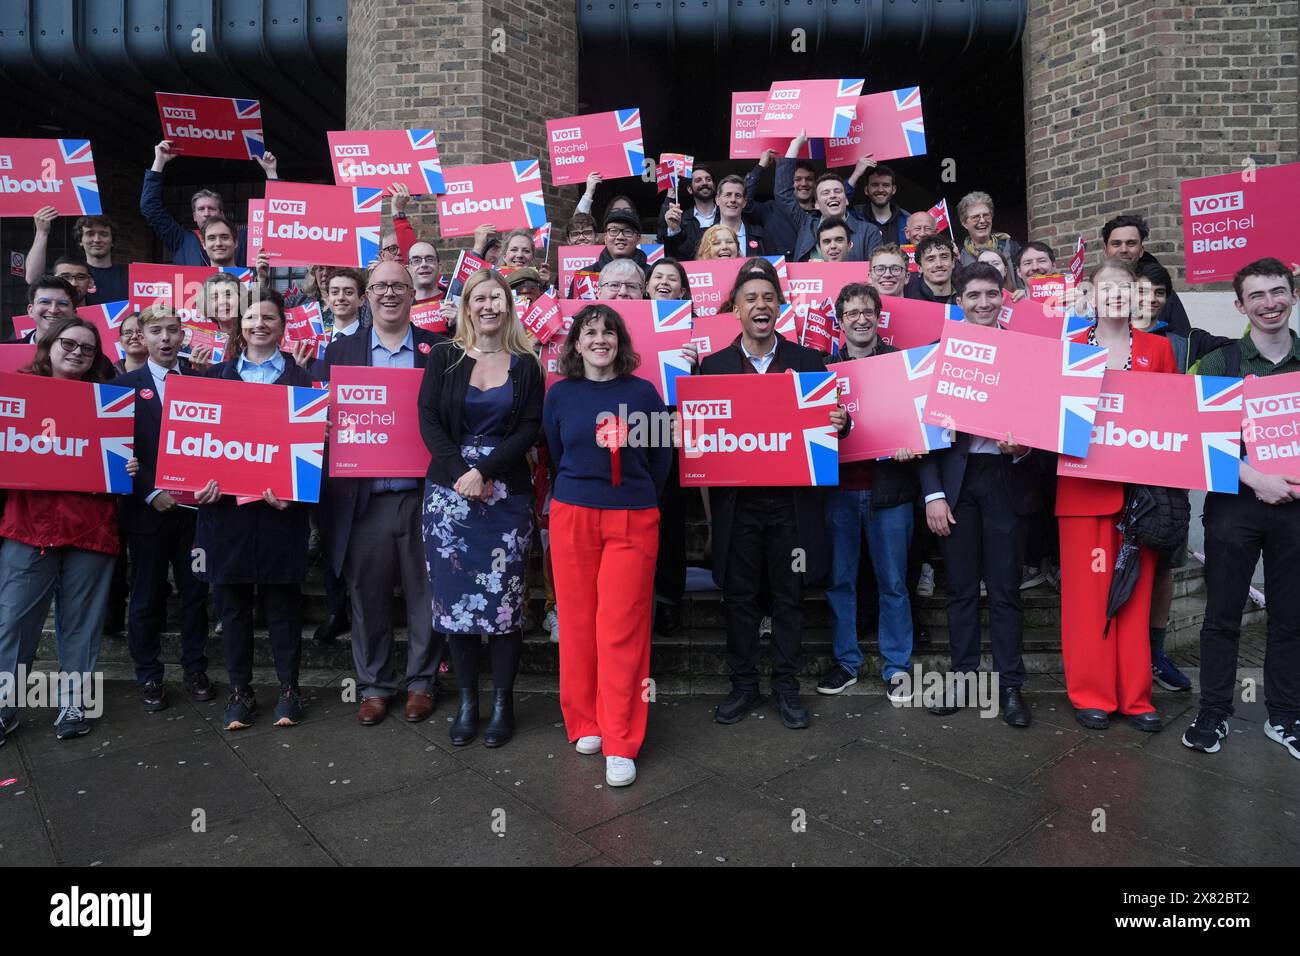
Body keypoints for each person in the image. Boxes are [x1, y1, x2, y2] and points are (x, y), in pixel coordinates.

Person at [700, 265, 852, 729]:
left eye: (769, 297)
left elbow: (831, 433)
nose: (761, 305)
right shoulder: (713, 367)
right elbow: (705, 440)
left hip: (791, 505)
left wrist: (841, 425)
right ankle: (743, 685)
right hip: (737, 506)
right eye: (751, 298)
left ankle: (786, 686)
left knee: (788, 595)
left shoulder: (809, 363)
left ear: (779, 307)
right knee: (740, 597)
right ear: (736, 310)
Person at [309, 261, 448, 725]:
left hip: (422, 495)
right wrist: (322, 426)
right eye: (381, 286)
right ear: (368, 295)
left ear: (413, 294)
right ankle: (374, 686)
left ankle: (422, 681)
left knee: (425, 593)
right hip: (361, 499)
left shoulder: (439, 352)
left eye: (398, 286)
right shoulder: (337, 354)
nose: (389, 293)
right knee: (365, 595)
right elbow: (311, 424)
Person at [544, 303, 670, 786]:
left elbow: (660, 457)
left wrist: (635, 496)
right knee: (577, 623)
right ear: (575, 343)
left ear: (621, 342)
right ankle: (586, 720)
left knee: (621, 627)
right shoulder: (559, 395)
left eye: (609, 332)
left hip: (632, 518)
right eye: (590, 332)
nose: (600, 339)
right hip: (574, 514)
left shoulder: (644, 393)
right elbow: (557, 455)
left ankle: (620, 737)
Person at [418, 269, 544, 748]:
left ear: (508, 306)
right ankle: (467, 702)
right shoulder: (444, 358)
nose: (488, 306)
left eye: (497, 298)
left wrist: (485, 471)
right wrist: (460, 473)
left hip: (504, 498)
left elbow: (528, 428)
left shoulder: (526, 363)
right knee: (455, 609)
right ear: (466, 306)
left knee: (505, 607)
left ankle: (501, 705)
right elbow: (428, 418)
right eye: (479, 298)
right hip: (448, 502)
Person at [0, 316, 139, 743]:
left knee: (81, 623)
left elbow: (119, 462)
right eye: (69, 343)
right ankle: (5, 705)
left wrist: (127, 467)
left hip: (90, 530)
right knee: (12, 623)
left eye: (87, 348)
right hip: (28, 528)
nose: (77, 352)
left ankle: (73, 703)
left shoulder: (108, 401)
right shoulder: (15, 393)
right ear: (48, 343)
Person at [1182, 258, 1300, 759]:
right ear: (1240, 305)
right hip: (1235, 506)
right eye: (1257, 295)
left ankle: (1286, 715)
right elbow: (1189, 435)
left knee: (1291, 617)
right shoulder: (1219, 365)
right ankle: (1213, 712)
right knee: (1222, 615)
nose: (1269, 303)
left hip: (1295, 508)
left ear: (1292, 294)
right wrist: (1255, 477)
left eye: (1278, 292)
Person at [1056, 257, 1176, 733]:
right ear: (1091, 295)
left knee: (1136, 596)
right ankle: (1091, 693)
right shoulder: (1065, 348)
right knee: (1087, 597)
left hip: (1141, 494)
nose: (1117, 296)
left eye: (1126, 288)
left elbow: (1173, 418)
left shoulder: (1158, 349)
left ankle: (1136, 696)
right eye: (1107, 289)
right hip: (1084, 491)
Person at [918, 262, 1038, 727]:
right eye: (974, 296)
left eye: (992, 294)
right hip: (956, 481)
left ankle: (1011, 688)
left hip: (1007, 478)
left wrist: (1024, 447)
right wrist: (933, 495)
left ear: (1003, 297)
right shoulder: (936, 354)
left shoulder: (1026, 353)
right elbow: (923, 429)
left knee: (1006, 591)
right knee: (961, 590)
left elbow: (1044, 421)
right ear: (959, 301)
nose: (984, 303)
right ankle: (964, 679)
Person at [194, 290, 313, 730]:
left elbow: (312, 453)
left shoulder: (303, 381)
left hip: (282, 513)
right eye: (250, 317)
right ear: (238, 326)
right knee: (232, 609)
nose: (258, 324)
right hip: (226, 516)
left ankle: (289, 690)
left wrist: (296, 494)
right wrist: (196, 488)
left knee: (283, 607)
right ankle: (240, 693)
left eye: (268, 317)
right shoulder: (213, 379)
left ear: (283, 326)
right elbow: (195, 448)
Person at [818, 283, 918, 698]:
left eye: (867, 312)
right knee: (841, 581)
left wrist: (912, 442)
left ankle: (898, 666)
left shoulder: (900, 364)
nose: (860, 319)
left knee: (893, 582)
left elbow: (917, 422)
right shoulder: (822, 368)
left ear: (878, 317)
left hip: (890, 492)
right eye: (851, 313)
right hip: (838, 492)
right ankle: (847, 662)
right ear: (840, 322)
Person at [112, 306, 213, 712]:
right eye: (157, 331)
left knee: (194, 594)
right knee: (147, 596)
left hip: (196, 514)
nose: (166, 338)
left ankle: (195, 668)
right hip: (147, 514)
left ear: (184, 335)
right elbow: (120, 452)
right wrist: (151, 492)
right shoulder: (124, 387)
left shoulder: (203, 382)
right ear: (142, 337)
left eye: (173, 330)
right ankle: (149, 675)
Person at [141, 139, 277, 265]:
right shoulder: (181, 239)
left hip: (238, 291)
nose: (206, 213)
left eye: (211, 208)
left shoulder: (241, 239)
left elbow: (275, 219)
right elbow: (150, 208)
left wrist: (271, 173)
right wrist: (159, 161)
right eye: (201, 209)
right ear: (194, 216)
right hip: (193, 291)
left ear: (221, 213)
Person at [778, 132, 883, 262]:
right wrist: (795, 145)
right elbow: (783, 193)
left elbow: (877, 270)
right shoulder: (807, 225)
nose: (832, 195)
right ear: (816, 204)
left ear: (847, 199)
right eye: (825, 193)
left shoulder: (868, 231)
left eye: (837, 191)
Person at [1101, 213, 1191, 337]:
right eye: (1116, 244)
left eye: (1131, 243)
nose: (1123, 250)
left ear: (1141, 250)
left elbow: (1183, 342)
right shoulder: (1092, 291)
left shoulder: (1159, 291)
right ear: (1105, 250)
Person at [24, 211, 129, 305]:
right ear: (80, 241)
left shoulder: (130, 275)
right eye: (90, 234)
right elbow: (32, 278)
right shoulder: (68, 272)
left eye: (103, 234)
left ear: (112, 241)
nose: (97, 239)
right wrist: (42, 233)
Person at [956, 192, 1022, 278]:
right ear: (964, 223)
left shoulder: (1011, 247)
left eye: (986, 215)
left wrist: (1021, 291)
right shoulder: (959, 255)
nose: (982, 221)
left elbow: (1024, 282)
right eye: (976, 217)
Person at [577, 209, 648, 278]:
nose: (620, 237)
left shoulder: (650, 275)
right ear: (605, 238)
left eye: (627, 231)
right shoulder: (585, 276)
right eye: (614, 231)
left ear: (638, 238)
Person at [658, 164, 718, 245]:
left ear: (714, 185)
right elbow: (663, 242)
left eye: (708, 179)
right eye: (698, 180)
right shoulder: (681, 220)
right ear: (690, 189)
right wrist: (671, 192)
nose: (704, 183)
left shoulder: (727, 214)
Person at [851, 163, 910, 245]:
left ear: (893, 190)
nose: (880, 189)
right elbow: (835, 202)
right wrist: (856, 174)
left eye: (886, 185)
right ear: (866, 190)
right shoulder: (854, 217)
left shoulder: (907, 220)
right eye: (875, 185)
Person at [9, 276, 77, 343]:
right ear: (30, 310)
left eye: (62, 304)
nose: (53, 310)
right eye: (45, 302)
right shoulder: (5, 352)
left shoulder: (86, 352)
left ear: (74, 313)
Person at [905, 234, 959, 304]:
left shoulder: (966, 296)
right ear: (919, 267)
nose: (939, 264)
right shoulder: (907, 299)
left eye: (944, 257)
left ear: (953, 262)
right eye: (931, 259)